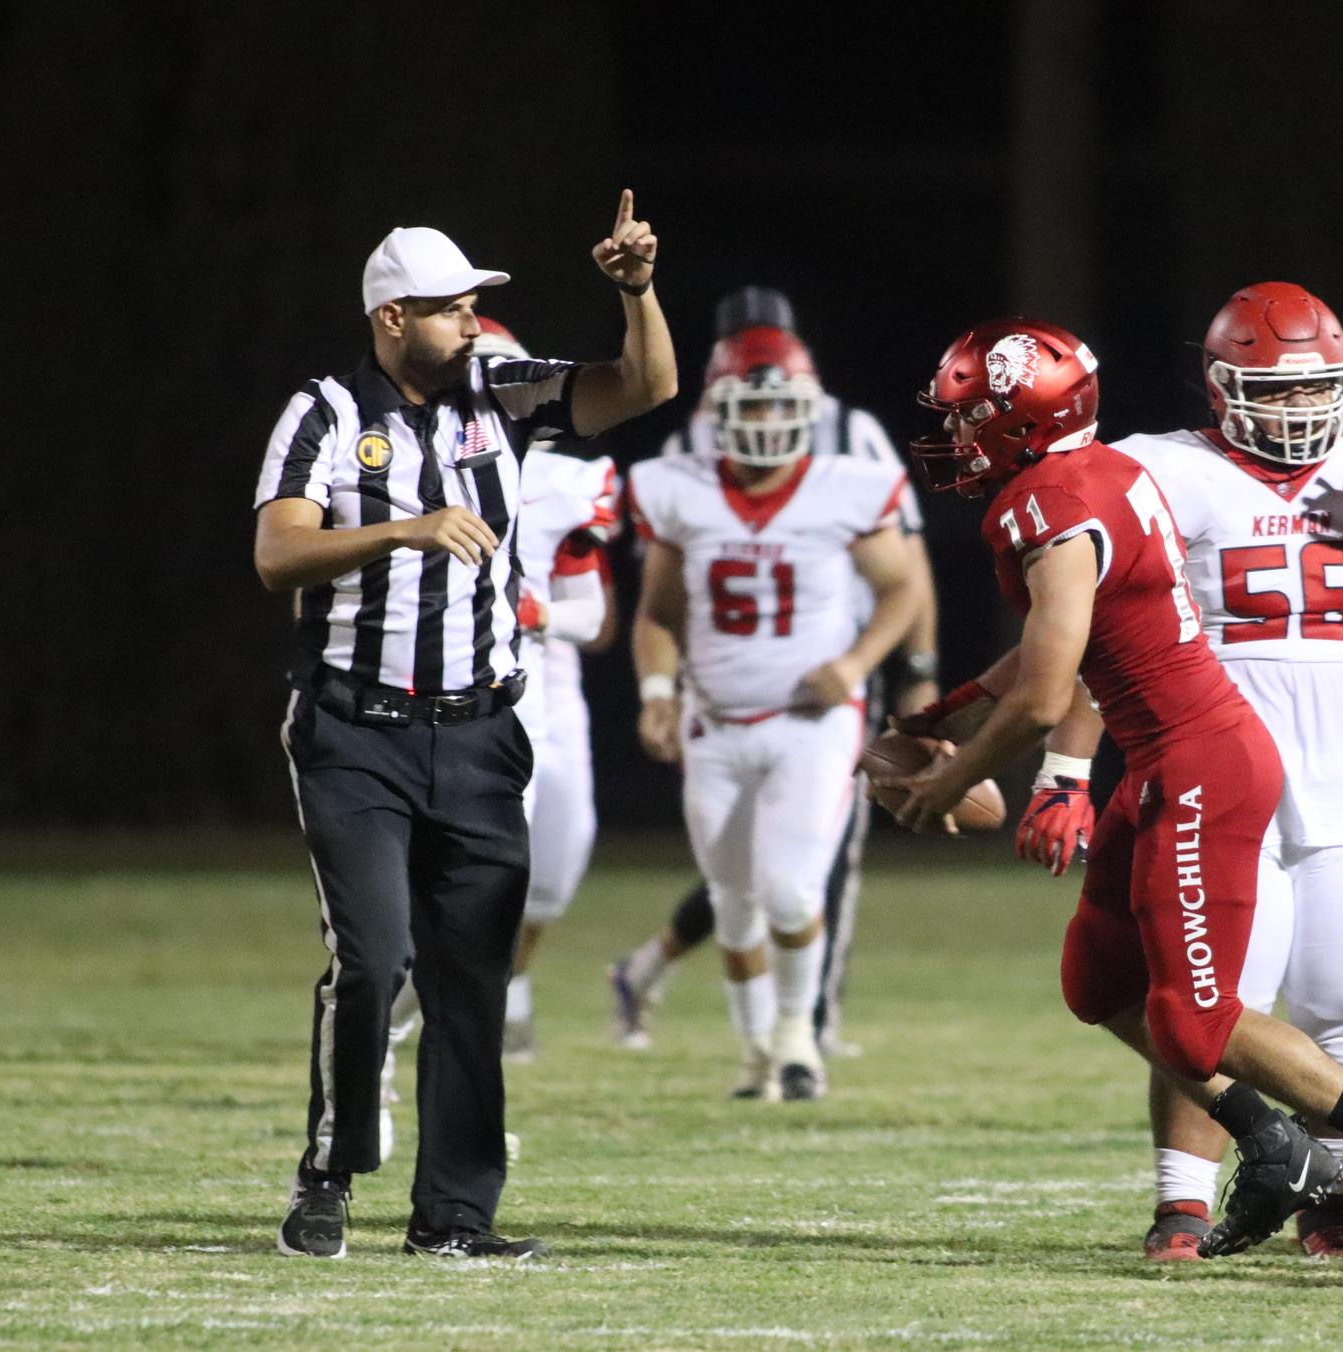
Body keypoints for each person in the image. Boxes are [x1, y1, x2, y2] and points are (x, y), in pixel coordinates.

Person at [879, 318, 1343, 1269]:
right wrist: (944, 718)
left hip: (1207, 759)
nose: (955, 437)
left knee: (1209, 1012)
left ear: (1019, 420)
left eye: (971, 417)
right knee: (1101, 982)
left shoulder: (1051, 500)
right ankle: (1266, 1141)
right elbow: (1057, 653)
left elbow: (1045, 686)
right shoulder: (1117, 472)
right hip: (1188, 753)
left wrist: (944, 783)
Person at [253, 194, 676, 1259]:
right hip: (357, 728)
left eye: (476, 307)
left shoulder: (501, 392)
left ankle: (453, 1216)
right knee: (374, 957)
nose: (475, 327)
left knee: (472, 975)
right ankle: (330, 1172)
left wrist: (638, 292)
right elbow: (276, 554)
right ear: (393, 318)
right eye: (451, 310)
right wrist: (404, 527)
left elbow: (647, 385)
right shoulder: (326, 413)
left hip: (482, 732)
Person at [610, 286, 940, 1054]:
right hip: (718, 703)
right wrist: (666, 686)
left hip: (824, 693)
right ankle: (758, 1040)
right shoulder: (678, 473)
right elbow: (663, 600)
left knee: (798, 876)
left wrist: (901, 666)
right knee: (738, 886)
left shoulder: (849, 447)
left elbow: (906, 572)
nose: (763, 418)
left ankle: (803, 1030)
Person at [482, 319, 623, 1062]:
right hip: (456, 677)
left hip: (546, 676)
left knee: (560, 855)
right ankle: (471, 999)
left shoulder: (566, 480)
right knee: (487, 849)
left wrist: (533, 610)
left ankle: (514, 978)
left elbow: (595, 618)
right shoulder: (399, 473)